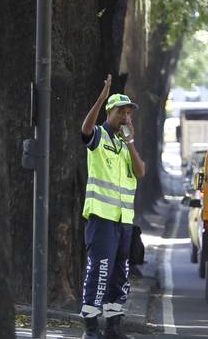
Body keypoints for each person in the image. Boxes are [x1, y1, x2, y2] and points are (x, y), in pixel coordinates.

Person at [79, 75, 146, 339]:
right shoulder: (99, 137)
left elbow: (140, 172)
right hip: (101, 218)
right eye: (121, 112)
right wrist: (100, 98)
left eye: (129, 113)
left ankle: (114, 326)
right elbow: (85, 130)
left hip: (123, 221)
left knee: (121, 272)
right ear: (110, 113)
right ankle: (91, 327)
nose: (126, 117)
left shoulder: (124, 145)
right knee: (100, 270)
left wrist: (130, 142)